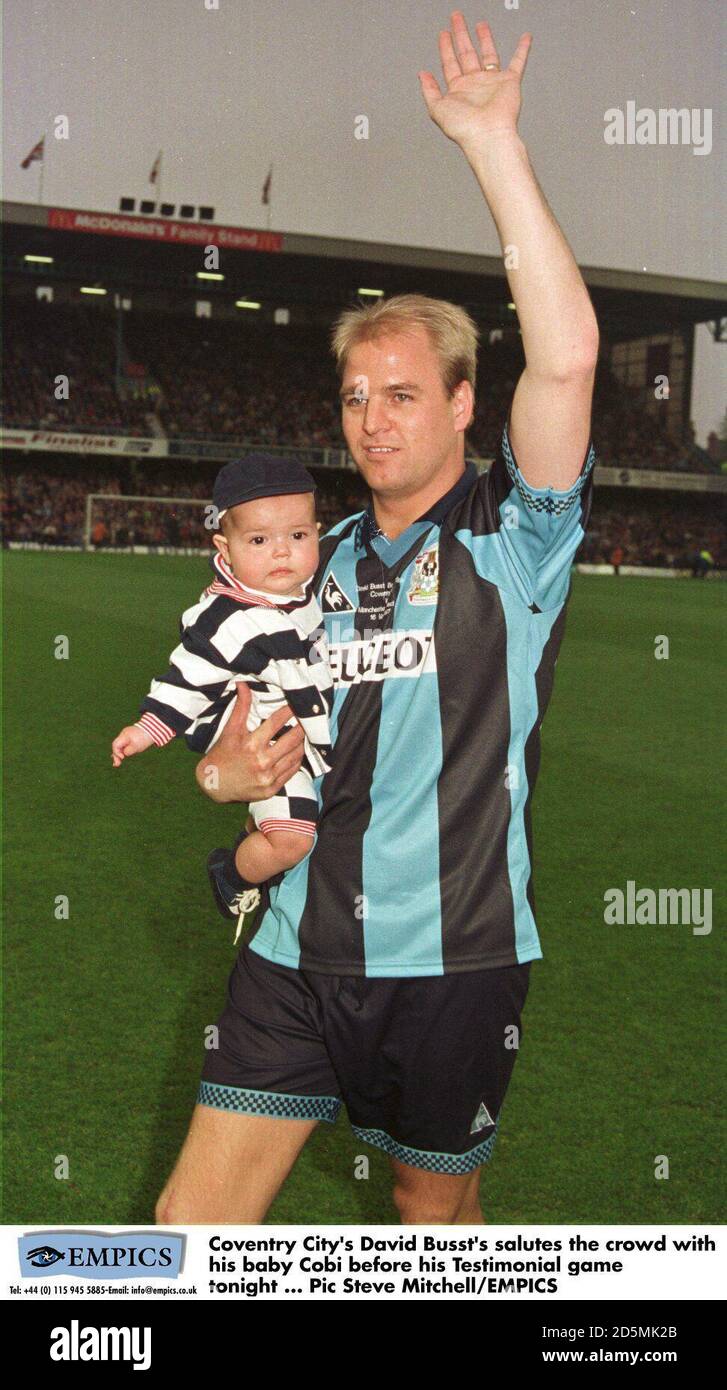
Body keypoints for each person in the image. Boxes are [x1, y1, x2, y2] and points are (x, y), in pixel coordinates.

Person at [155, 12, 599, 1225]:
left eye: (403, 394)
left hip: (454, 962)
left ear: (465, 404)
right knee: (187, 1236)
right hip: (295, 949)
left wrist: (494, 148)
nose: (372, 419)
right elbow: (241, 727)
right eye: (356, 395)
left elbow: (564, 364)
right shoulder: (308, 562)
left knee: (426, 1222)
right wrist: (219, 772)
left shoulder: (514, 539)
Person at [111, 456, 334, 927]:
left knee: (295, 814)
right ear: (224, 547)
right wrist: (148, 728)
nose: (281, 552)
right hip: (261, 741)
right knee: (295, 837)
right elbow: (186, 678)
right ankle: (232, 875)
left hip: (293, 734)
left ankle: (256, 831)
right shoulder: (228, 617)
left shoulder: (300, 591)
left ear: (317, 533)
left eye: (297, 537)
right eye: (258, 540)